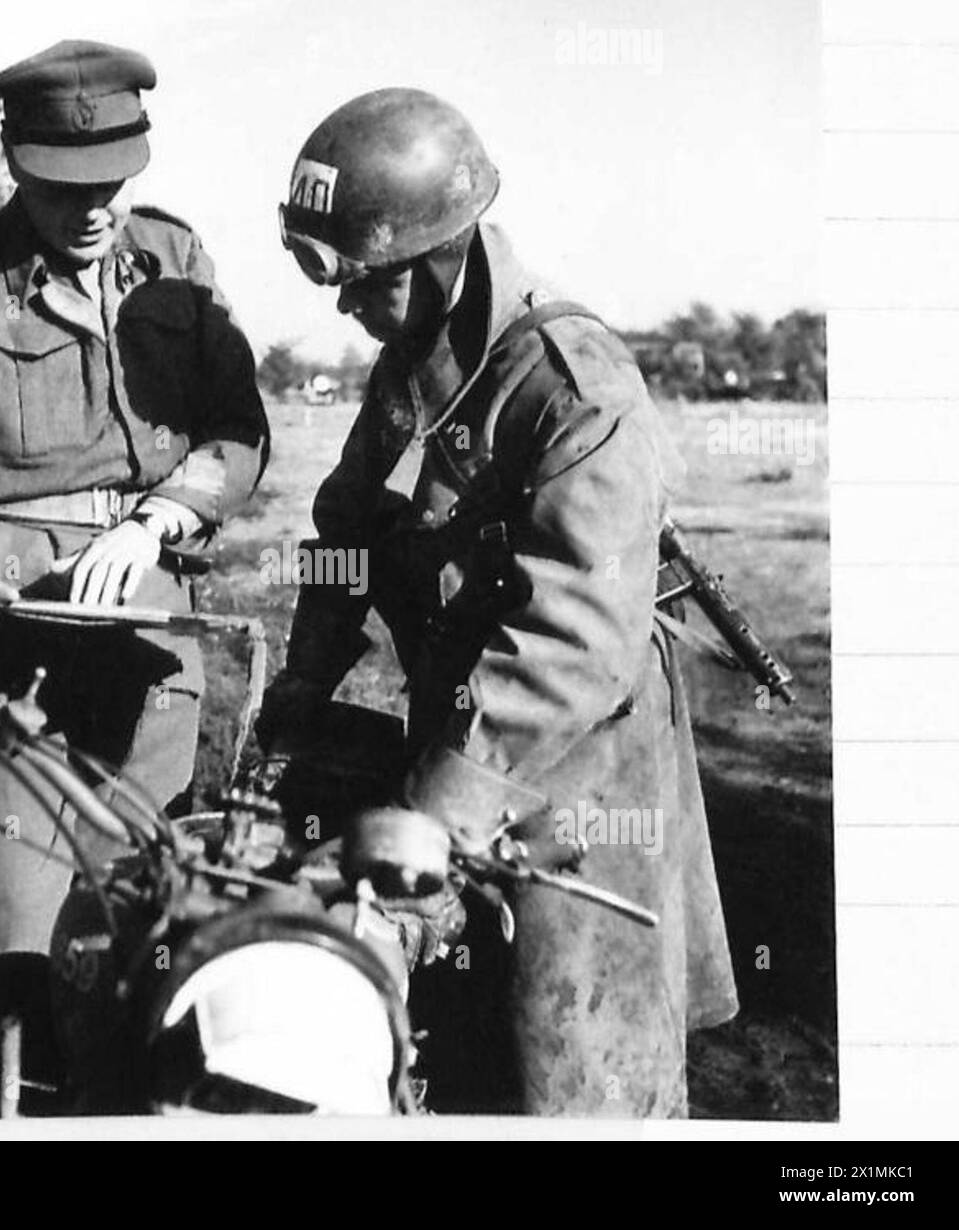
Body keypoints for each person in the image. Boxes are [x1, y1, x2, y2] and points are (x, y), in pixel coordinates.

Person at [259, 87, 738, 1116]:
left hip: (579, 778)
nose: (341, 307)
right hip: (464, 742)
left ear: (432, 260)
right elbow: (348, 535)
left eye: (356, 281)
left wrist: (435, 821)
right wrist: (303, 680)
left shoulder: (576, 386)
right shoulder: (409, 368)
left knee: (574, 1072)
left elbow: (572, 638)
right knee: (459, 1058)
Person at [0, 39, 269, 1111]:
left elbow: (234, 429)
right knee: (0, 924)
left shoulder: (174, 261)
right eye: (61, 187)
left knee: (146, 893)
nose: (91, 209)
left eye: (111, 184)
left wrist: (164, 518)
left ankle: (132, 1103)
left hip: (145, 620)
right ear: (15, 164)